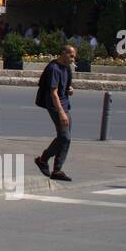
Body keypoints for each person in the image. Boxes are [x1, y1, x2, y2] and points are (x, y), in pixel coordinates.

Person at [34, 44, 76, 181]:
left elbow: (64, 86)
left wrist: (69, 89)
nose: (73, 58)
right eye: (71, 55)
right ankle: (43, 159)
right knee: (65, 137)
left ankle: (57, 170)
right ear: (63, 53)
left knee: (65, 138)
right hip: (56, 105)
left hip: (64, 104)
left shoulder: (66, 67)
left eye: (74, 56)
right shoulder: (54, 68)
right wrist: (61, 113)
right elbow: (53, 93)